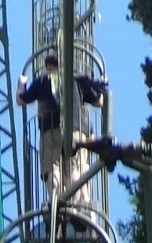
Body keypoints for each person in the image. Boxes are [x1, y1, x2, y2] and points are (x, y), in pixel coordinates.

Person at [17, 47, 106, 199]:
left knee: (53, 168)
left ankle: (56, 203)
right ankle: (78, 204)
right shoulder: (78, 78)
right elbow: (99, 102)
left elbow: (21, 100)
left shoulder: (43, 80)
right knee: (75, 167)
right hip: (77, 130)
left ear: (49, 66)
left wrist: (21, 84)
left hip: (50, 130)